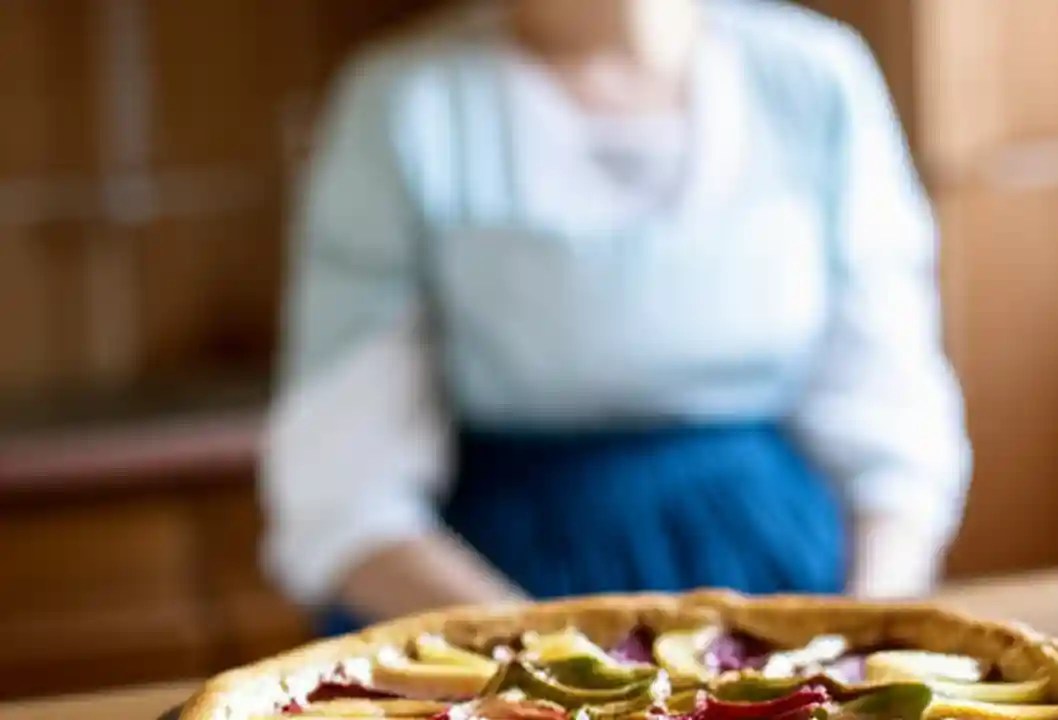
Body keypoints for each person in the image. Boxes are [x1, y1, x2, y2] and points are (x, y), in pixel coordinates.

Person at [262, 0, 970, 634]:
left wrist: (862, 638)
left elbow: (893, 423)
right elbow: (342, 492)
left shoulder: (816, 79)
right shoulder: (408, 103)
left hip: (785, 589)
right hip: (499, 589)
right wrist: (548, 662)